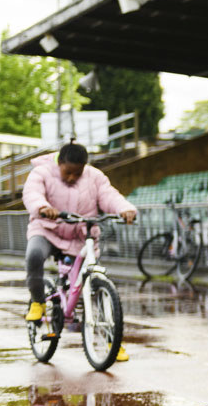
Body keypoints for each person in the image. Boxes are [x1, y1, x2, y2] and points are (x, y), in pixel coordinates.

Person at [23, 142, 137, 360]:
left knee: (95, 283)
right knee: (34, 255)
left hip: (80, 234)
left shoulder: (95, 177)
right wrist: (42, 208)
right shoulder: (42, 172)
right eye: (68, 172)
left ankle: (112, 341)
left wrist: (125, 209)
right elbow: (32, 193)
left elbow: (108, 195)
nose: (73, 177)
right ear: (59, 163)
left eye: (78, 173)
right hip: (48, 229)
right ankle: (38, 302)